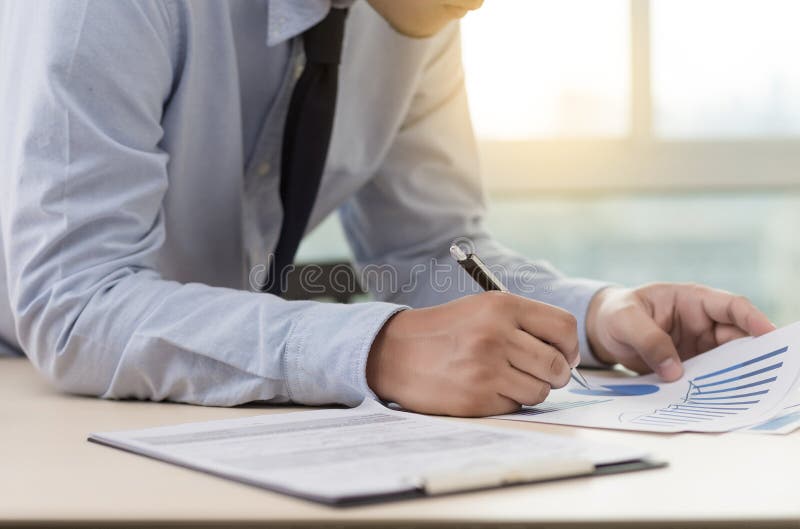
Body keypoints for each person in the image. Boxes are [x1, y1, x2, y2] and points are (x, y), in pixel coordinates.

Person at [0, 0, 775, 417]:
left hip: (198, 402)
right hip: (33, 396)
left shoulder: (423, 16)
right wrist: (375, 349)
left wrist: (595, 316)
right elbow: (73, 303)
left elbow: (428, 252)